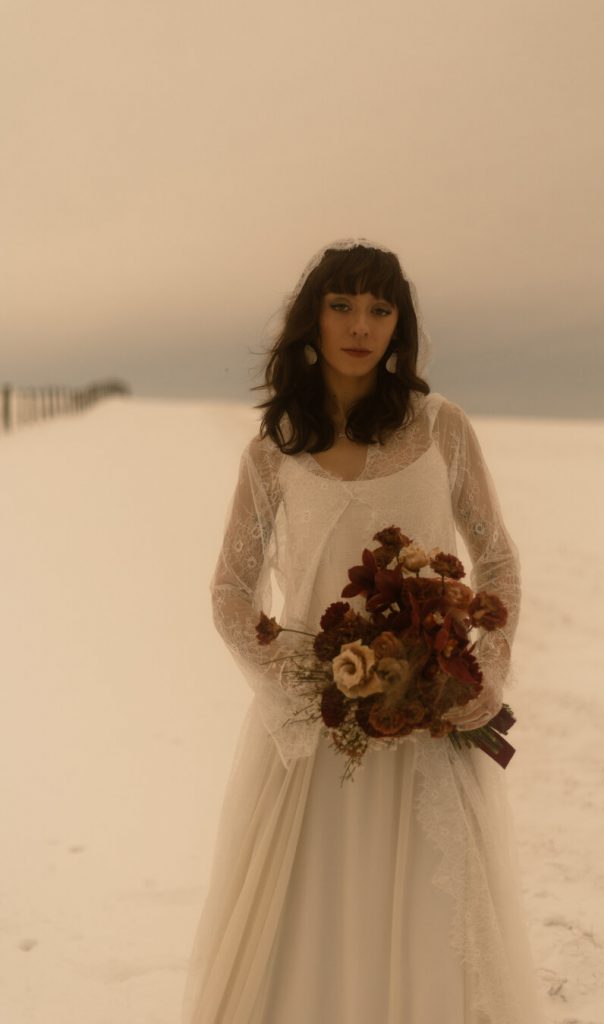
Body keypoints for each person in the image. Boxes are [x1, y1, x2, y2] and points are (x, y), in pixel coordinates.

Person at [181, 238, 544, 1023]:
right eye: (342, 304)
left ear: (399, 327)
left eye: (380, 309)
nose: (360, 324)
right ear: (311, 318)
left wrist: (482, 670)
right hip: (315, 733)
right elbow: (229, 590)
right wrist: (302, 678)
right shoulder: (271, 451)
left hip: (429, 727)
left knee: (428, 930)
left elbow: (497, 563)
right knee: (308, 921)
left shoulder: (440, 428)